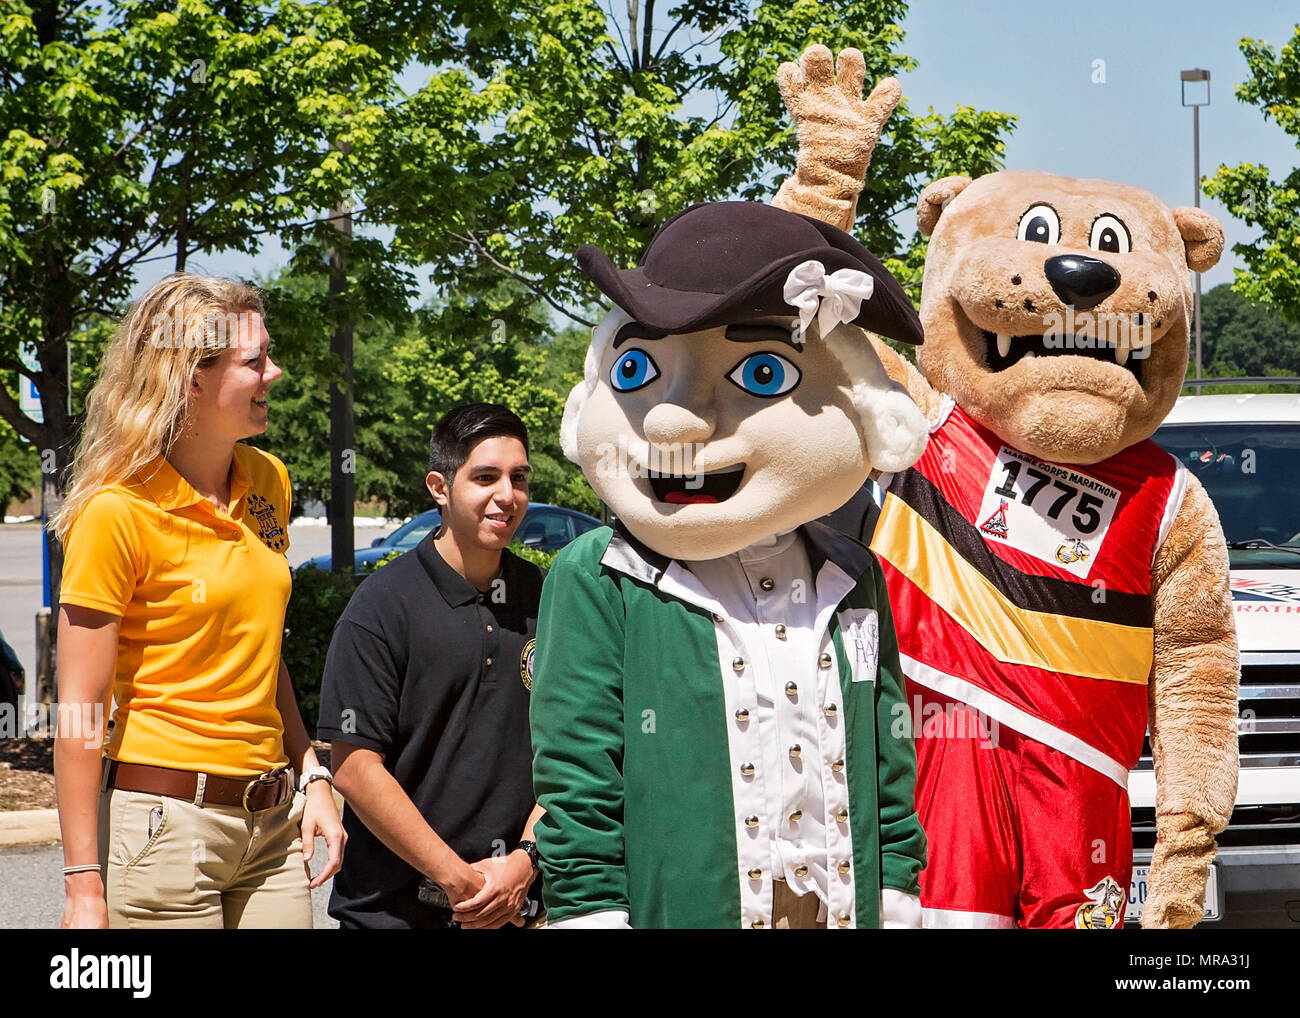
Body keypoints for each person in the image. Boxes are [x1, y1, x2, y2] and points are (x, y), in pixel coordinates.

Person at [530, 199, 931, 928]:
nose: (674, 421)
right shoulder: (599, 576)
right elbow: (578, 775)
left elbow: (888, 755)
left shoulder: (852, 573)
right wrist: (589, 913)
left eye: (763, 372)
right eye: (636, 368)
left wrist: (896, 885)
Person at [52, 273, 344, 930]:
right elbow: (78, 711)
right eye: (254, 361)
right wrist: (82, 884)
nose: (275, 371)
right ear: (192, 378)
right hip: (162, 827)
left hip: (271, 828)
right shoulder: (115, 513)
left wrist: (313, 773)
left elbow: (260, 658)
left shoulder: (269, 481)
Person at [317, 403, 545, 929]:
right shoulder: (381, 607)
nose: (507, 496)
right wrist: (460, 881)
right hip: (394, 913)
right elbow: (353, 766)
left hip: (517, 908)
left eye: (519, 478)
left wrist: (523, 863)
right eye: (485, 477)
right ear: (439, 487)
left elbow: (569, 750)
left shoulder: (547, 599)